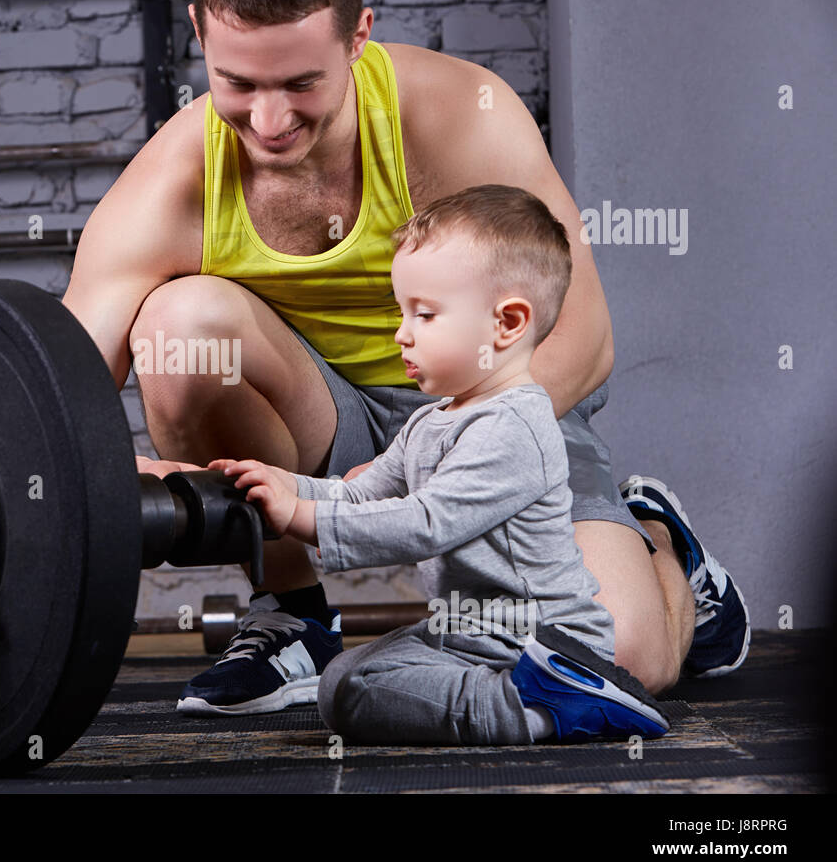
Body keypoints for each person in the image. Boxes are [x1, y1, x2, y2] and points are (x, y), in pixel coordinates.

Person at [60, 0, 748, 716]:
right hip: (331, 420)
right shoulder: (172, 182)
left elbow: (587, 342)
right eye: (238, 83)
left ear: (358, 37)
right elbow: (65, 393)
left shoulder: (457, 116)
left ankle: (664, 545)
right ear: (197, 33)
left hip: (497, 408)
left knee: (619, 658)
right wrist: (65, 479)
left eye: (300, 83)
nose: (270, 119)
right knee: (181, 329)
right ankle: (293, 613)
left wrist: (450, 469)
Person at [207, 183, 669, 742]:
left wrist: (299, 517)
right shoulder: (433, 421)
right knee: (344, 677)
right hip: (467, 631)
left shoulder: (514, 427)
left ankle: (545, 705)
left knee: (353, 691)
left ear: (507, 324)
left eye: (424, 315)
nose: (401, 334)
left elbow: (426, 523)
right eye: (402, 312)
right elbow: (358, 494)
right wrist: (283, 486)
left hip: (534, 637)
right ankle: (529, 698)